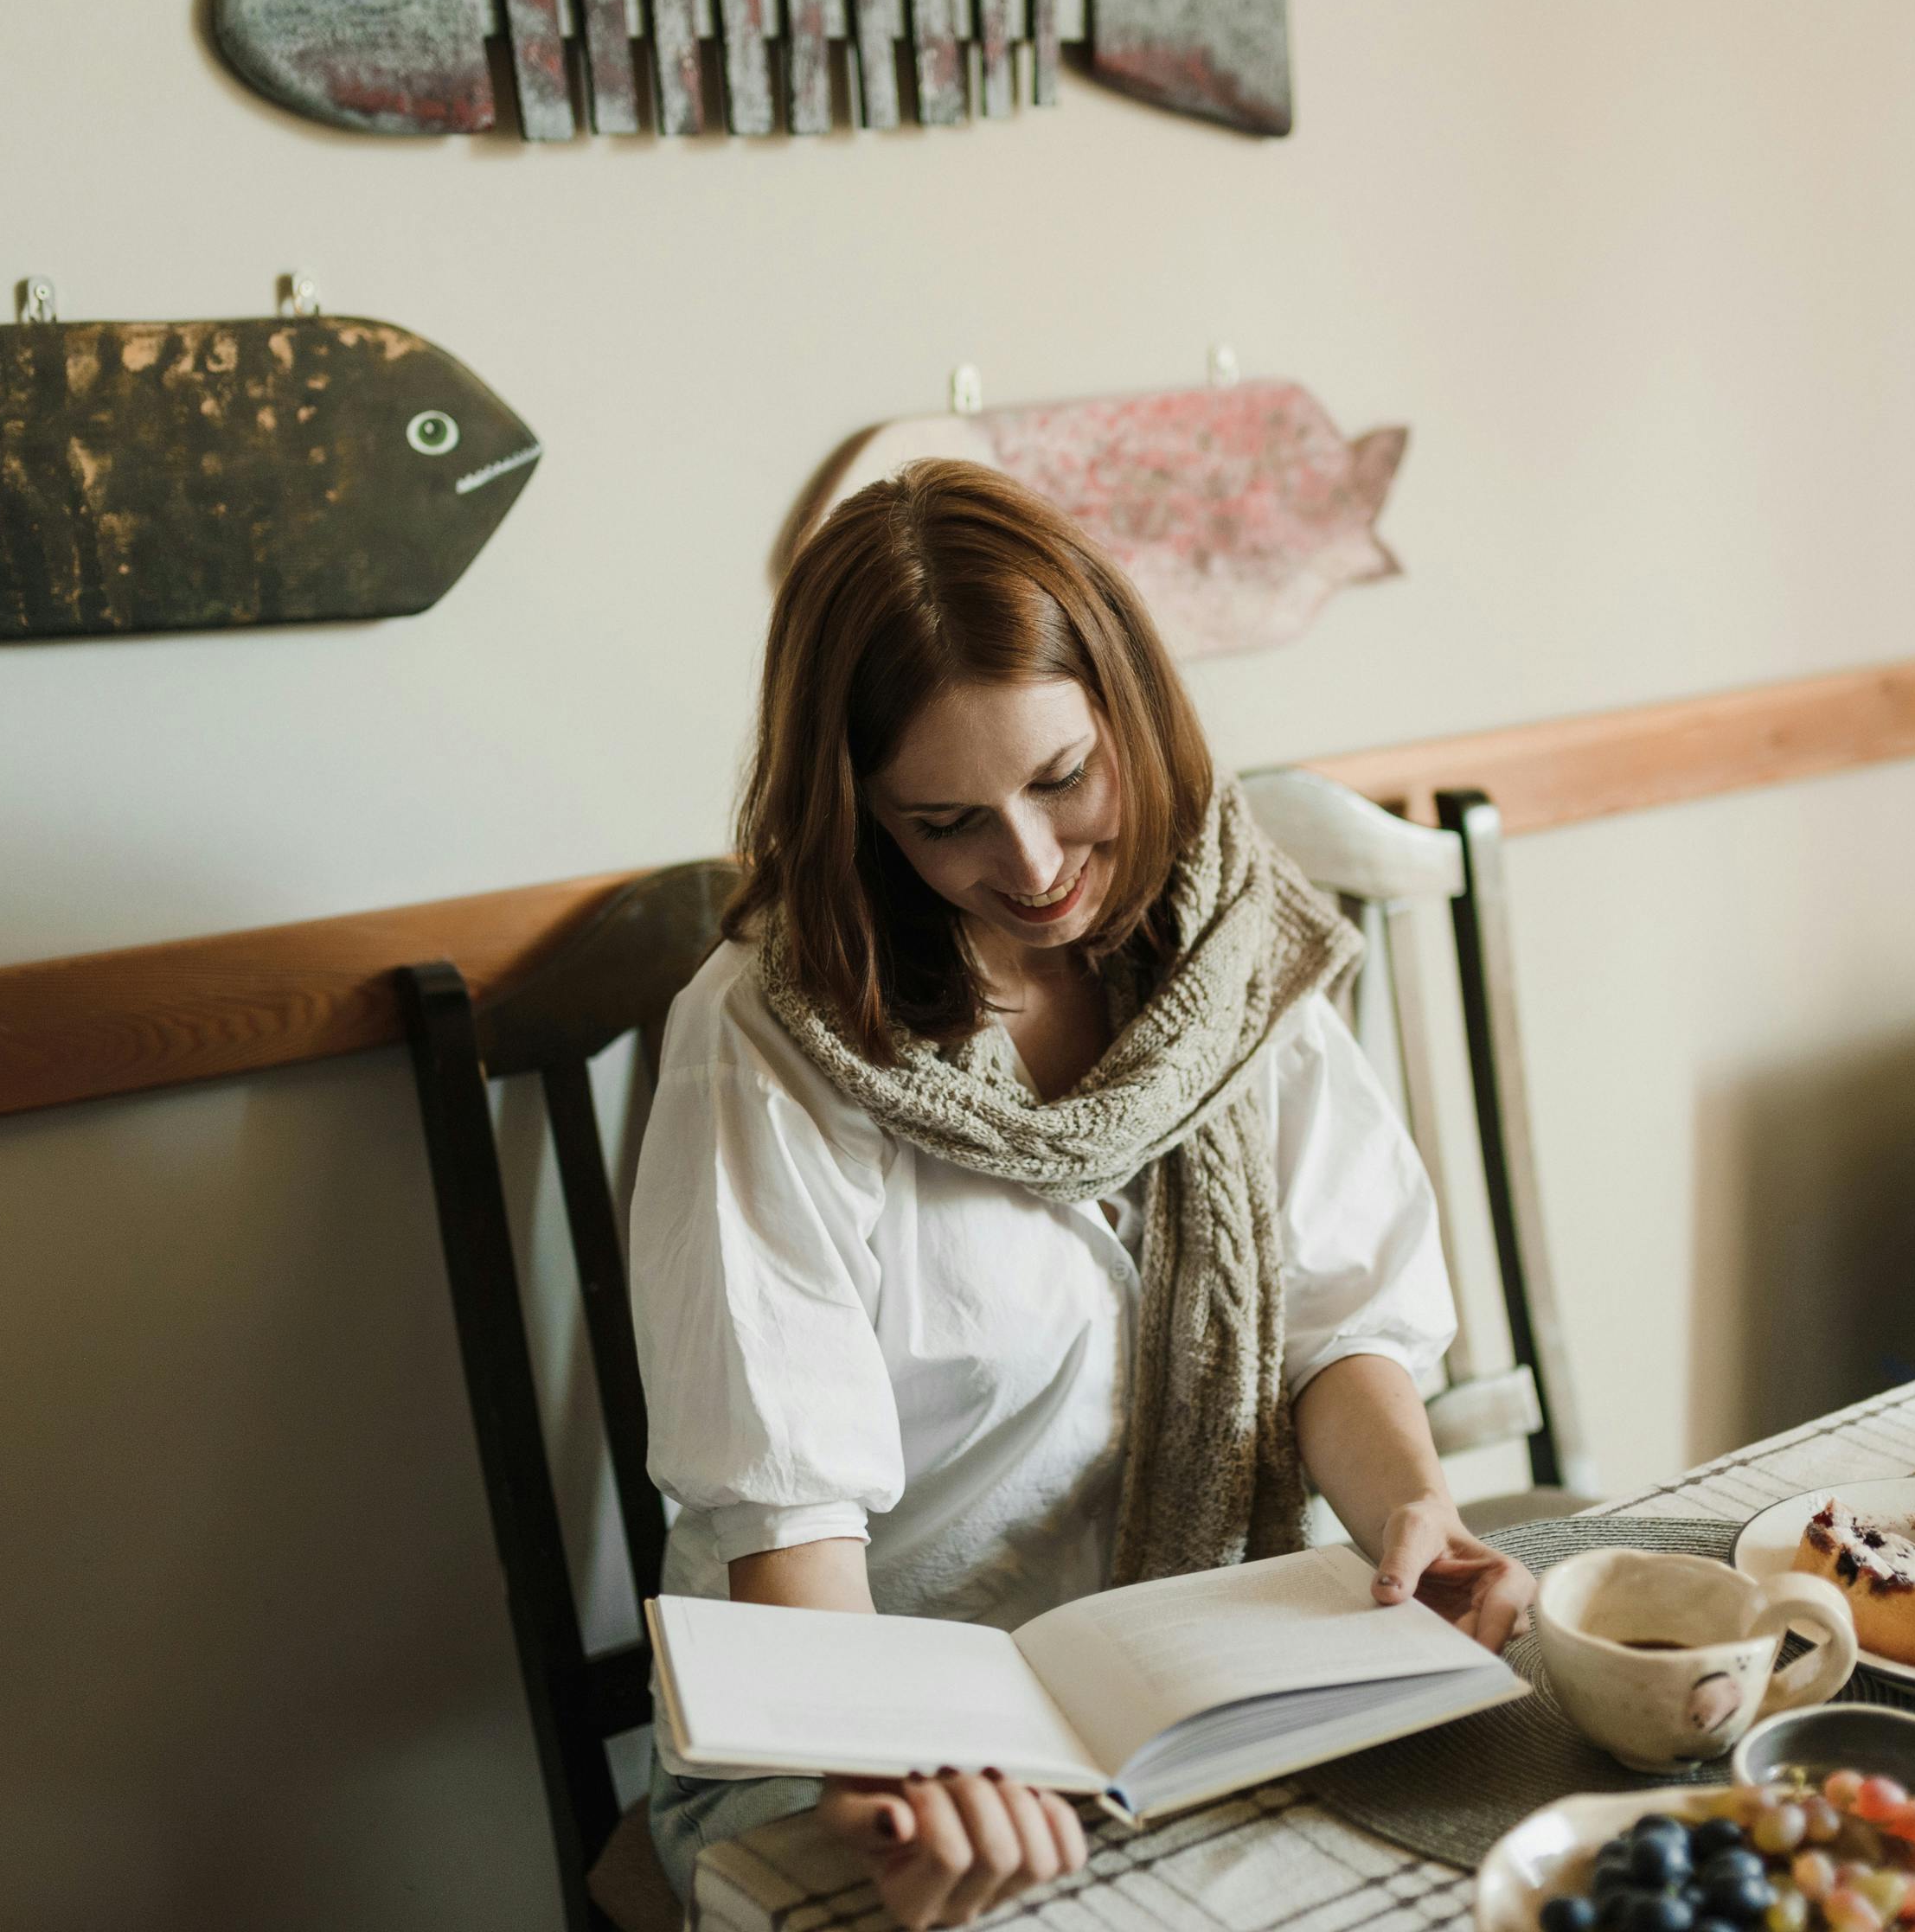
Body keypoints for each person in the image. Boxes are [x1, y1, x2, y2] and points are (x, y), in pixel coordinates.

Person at [631, 459, 1536, 1927]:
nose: (1035, 864)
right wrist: (887, 1760)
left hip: (1207, 1665)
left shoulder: (1229, 945)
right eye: (947, 822)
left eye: (1062, 780)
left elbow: (1337, 1332)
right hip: (866, 1715)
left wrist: (1413, 1511)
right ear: (862, 817)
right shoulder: (766, 1040)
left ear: (1132, 709)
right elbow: (787, 1509)